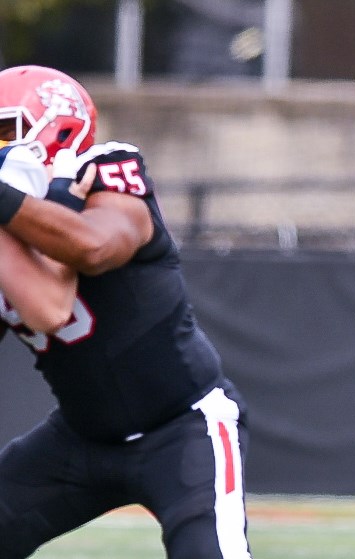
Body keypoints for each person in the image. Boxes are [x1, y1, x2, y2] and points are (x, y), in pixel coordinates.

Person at [0, 65, 252, 559]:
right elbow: (43, 306)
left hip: (183, 427)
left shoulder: (106, 171)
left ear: (59, 128)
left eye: (6, 131)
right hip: (79, 438)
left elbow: (93, 247)